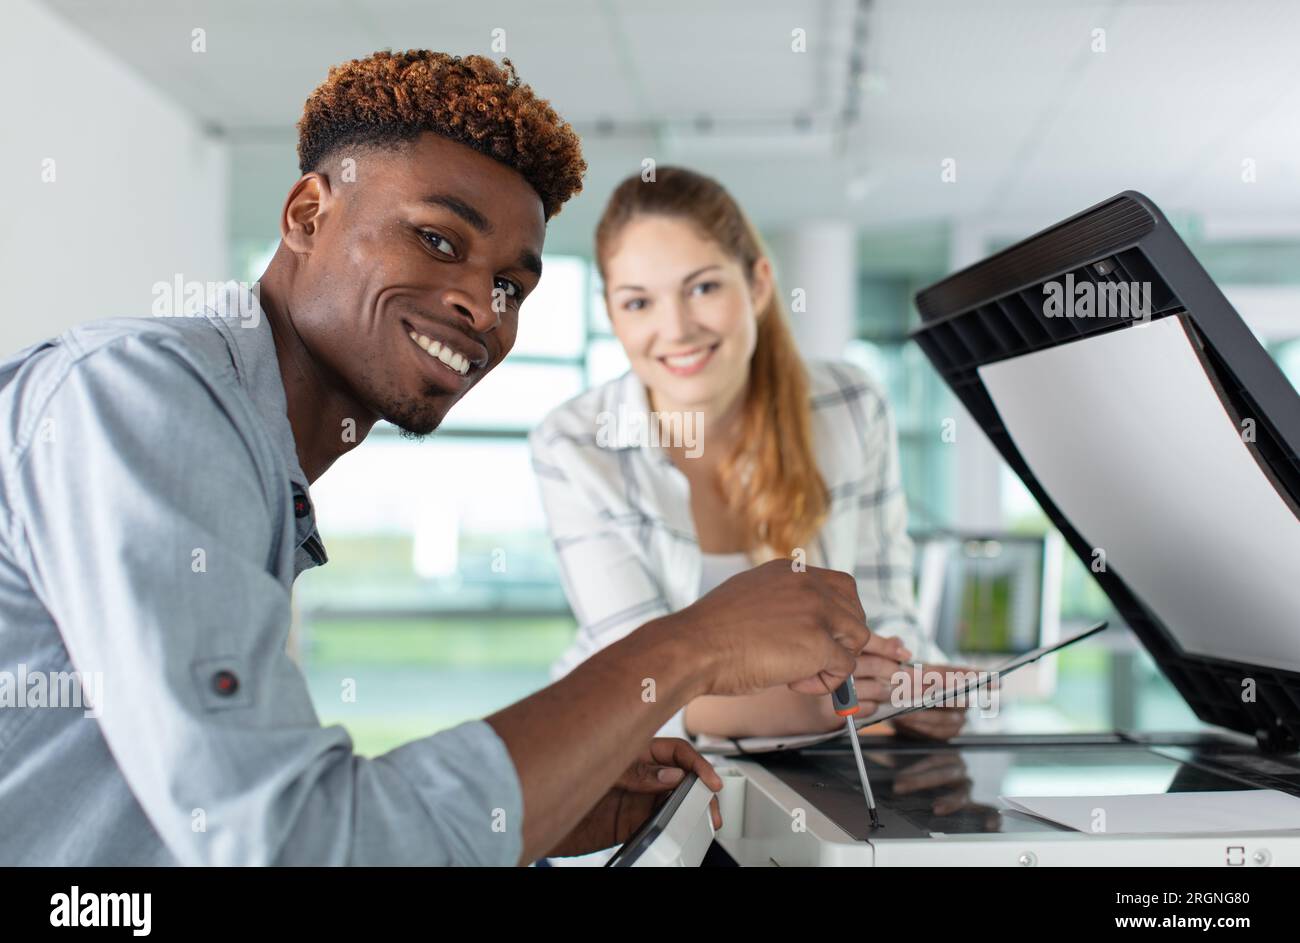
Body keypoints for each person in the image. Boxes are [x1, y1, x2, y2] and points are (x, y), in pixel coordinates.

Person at [0, 52, 891, 865]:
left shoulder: (254, 464)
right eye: (437, 239)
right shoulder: (141, 398)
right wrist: (697, 642)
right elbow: (291, 844)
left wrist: (520, 810)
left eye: (513, 284)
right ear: (308, 214)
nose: (481, 305)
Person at [531, 167, 968, 741]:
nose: (677, 328)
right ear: (612, 314)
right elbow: (640, 686)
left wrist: (909, 685)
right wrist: (851, 706)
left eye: (703, 288)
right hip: (645, 769)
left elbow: (883, 612)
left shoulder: (850, 405)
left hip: (831, 763)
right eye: (638, 303)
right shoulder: (577, 443)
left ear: (758, 285)